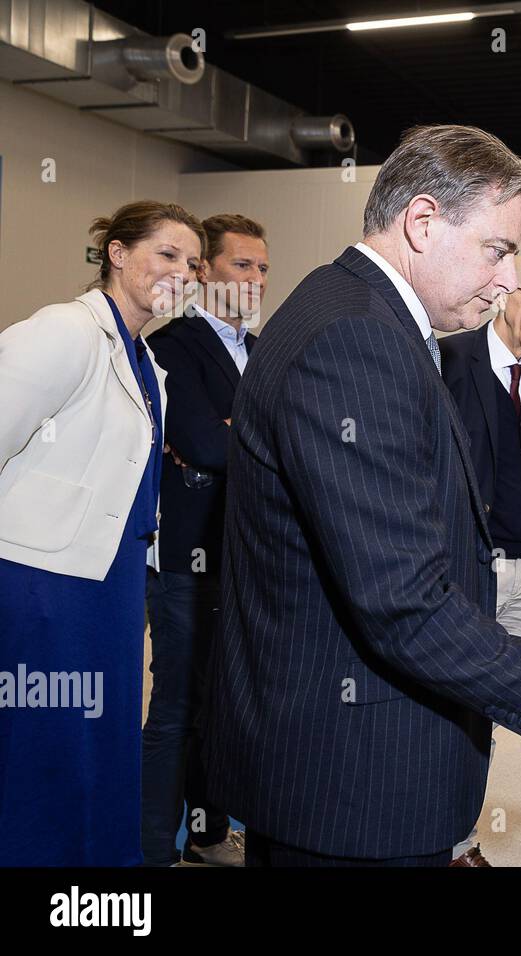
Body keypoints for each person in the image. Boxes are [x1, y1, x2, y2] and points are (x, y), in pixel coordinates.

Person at [203, 124, 521, 867]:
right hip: (352, 780)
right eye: (497, 250)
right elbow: (404, 604)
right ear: (423, 221)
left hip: (337, 763)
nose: (507, 282)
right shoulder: (357, 340)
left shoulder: (350, 309)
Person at [0, 201, 203, 866]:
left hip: (113, 581)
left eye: (193, 263)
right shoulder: (67, 330)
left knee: (101, 741)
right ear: (117, 254)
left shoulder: (148, 358)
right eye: (167, 254)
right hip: (45, 586)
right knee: (48, 742)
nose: (182, 272)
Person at [140, 214, 269, 867]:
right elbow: (199, 439)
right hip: (186, 557)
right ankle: (152, 849)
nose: (255, 280)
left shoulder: (266, 347)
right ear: (206, 272)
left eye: (263, 268)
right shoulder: (174, 345)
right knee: (178, 707)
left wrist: (234, 435)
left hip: (248, 556)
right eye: (241, 266)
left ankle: (209, 833)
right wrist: (244, 438)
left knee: (224, 704)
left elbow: (273, 438)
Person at [440, 255, 521, 865]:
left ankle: (459, 829)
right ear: (503, 294)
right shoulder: (451, 359)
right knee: (455, 704)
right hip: (473, 566)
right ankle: (450, 839)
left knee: (490, 709)